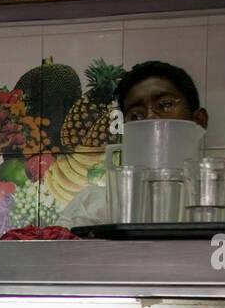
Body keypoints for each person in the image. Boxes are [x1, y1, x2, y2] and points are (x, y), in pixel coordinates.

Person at [55, 60, 210, 228]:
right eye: (136, 115)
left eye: (165, 105)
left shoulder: (223, 200)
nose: (150, 117)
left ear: (199, 120)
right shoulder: (92, 207)